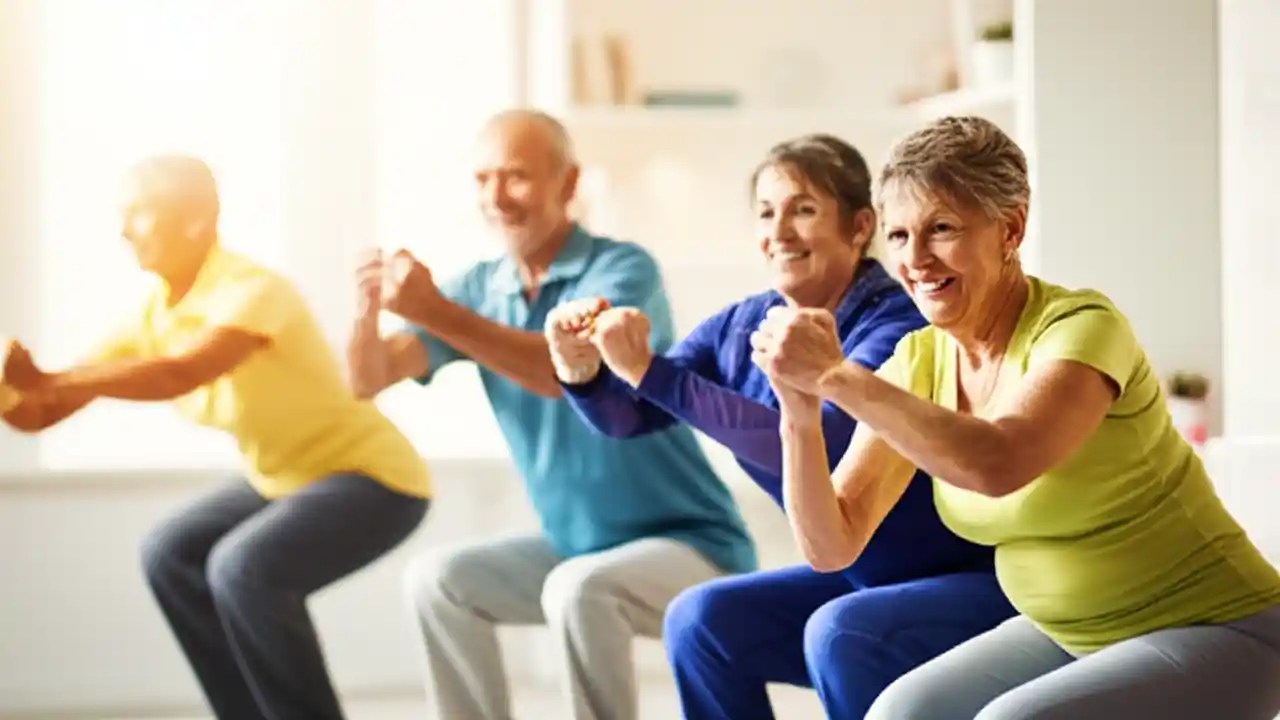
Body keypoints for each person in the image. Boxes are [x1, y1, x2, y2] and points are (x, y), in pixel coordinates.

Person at [751, 116, 1280, 720]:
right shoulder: (920, 361)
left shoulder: (1080, 328)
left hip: (1220, 628)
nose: (916, 259)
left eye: (941, 228)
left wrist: (835, 376)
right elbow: (832, 544)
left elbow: (1000, 462)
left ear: (1011, 228)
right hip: (1070, 633)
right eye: (897, 236)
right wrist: (799, 412)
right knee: (901, 711)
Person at [546, 133, 1014, 719]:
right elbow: (630, 415)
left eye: (804, 209)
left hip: (966, 580)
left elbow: (828, 442)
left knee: (840, 631)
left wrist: (647, 370)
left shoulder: (899, 321)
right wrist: (582, 366)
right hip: (866, 577)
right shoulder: (741, 325)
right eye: (767, 213)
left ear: (859, 226)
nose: (780, 230)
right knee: (701, 621)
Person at [350, 108, 755, 720]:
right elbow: (367, 378)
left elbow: (562, 373)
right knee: (438, 582)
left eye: (515, 177)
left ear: (568, 186)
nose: (496, 197)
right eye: (483, 179)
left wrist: (433, 311)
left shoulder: (621, 269)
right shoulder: (478, 289)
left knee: (579, 588)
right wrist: (366, 309)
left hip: (690, 543)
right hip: (576, 544)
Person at [0, 155, 431, 720]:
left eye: (140, 214)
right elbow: (42, 411)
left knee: (243, 568)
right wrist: (18, 392)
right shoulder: (152, 314)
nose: (124, 230)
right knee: (169, 553)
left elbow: (185, 370)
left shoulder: (253, 289)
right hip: (282, 478)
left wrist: (50, 379)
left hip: (374, 478)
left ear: (197, 221)